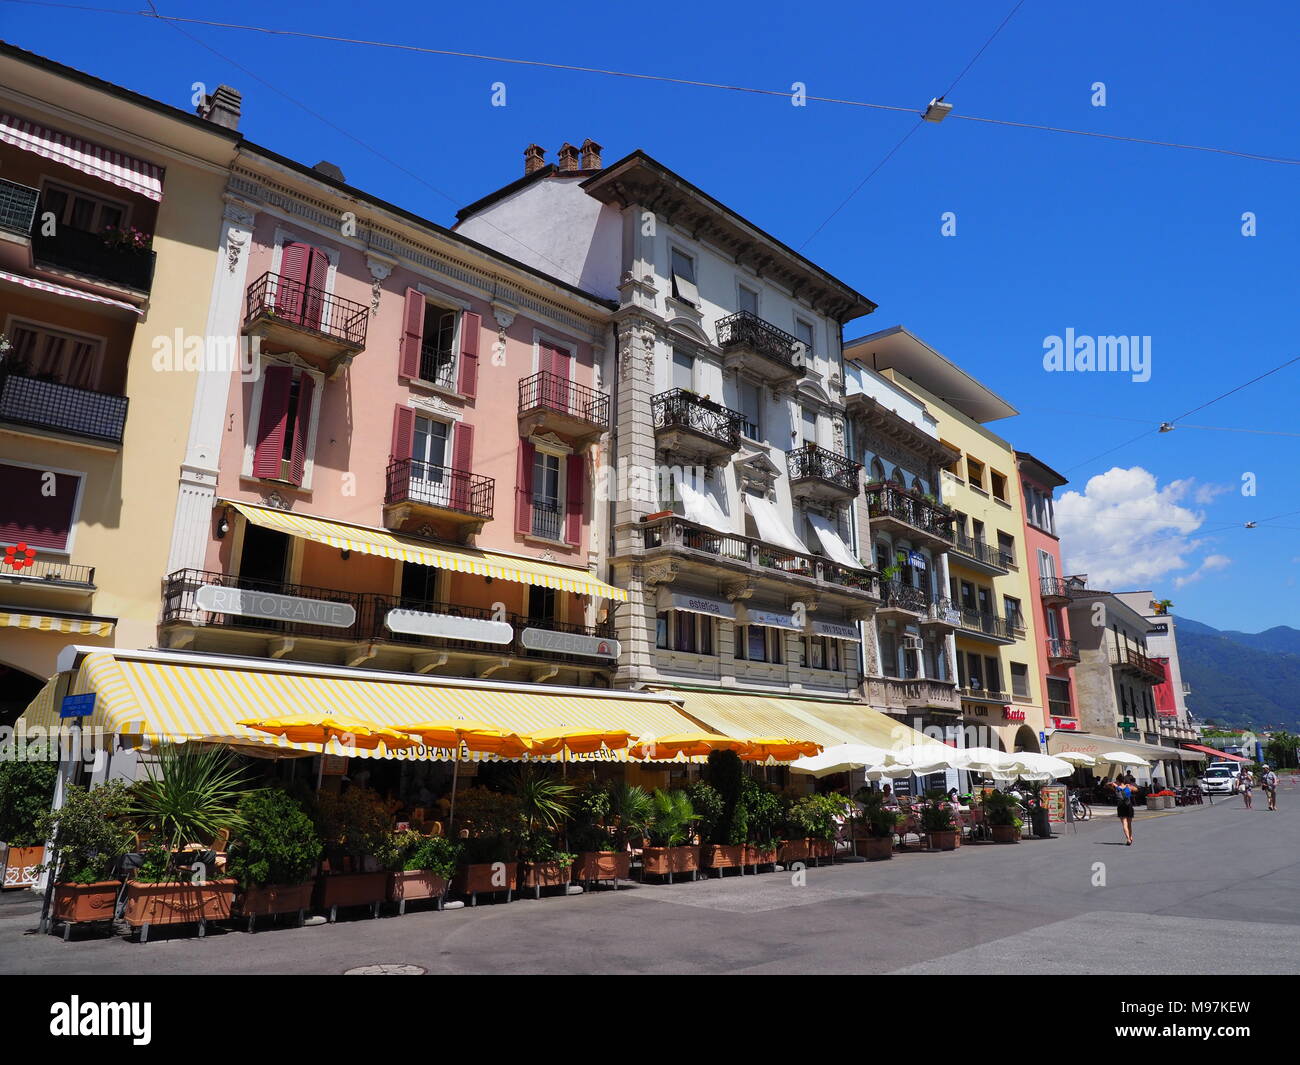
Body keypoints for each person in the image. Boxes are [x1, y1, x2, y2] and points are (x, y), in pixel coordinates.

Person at [1112, 776, 1136, 845]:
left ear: (1118, 781)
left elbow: (1107, 785)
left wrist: (1115, 785)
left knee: (1124, 823)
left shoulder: (1116, 788)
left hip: (1120, 806)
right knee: (1129, 824)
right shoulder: (1128, 787)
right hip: (1128, 805)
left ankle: (1128, 839)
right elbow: (1136, 789)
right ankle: (1130, 837)